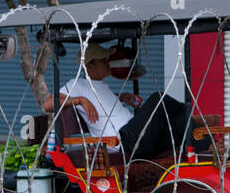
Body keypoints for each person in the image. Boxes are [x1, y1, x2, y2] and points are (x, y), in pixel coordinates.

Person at [42, 43, 209, 160]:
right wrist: (80, 100)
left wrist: (120, 97)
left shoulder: (100, 85)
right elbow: (48, 104)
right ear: (89, 65)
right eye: (103, 60)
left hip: (138, 139)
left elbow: (101, 103)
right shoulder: (76, 85)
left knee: (183, 126)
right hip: (123, 141)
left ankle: (209, 152)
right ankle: (189, 114)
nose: (109, 62)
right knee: (158, 98)